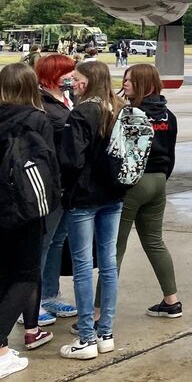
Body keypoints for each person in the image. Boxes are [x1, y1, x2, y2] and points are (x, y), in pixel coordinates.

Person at [59, 60, 125, 359]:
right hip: (114, 194)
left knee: (84, 265)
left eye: (78, 77)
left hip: (84, 197)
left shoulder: (84, 111)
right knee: (108, 263)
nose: (74, 82)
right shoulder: (119, 107)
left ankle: (85, 336)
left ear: (89, 80)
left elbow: (71, 160)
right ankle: (105, 332)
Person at [0, 63, 60, 376]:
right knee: (25, 275)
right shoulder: (37, 118)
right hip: (25, 208)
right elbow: (48, 163)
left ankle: (3, 348)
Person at [112, 64, 182, 318]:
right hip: (159, 182)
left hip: (134, 183)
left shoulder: (131, 114)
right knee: (154, 241)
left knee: (115, 248)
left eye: (130, 80)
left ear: (143, 83)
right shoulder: (168, 116)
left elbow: (118, 152)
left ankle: (99, 313)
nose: (125, 83)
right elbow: (171, 153)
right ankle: (171, 300)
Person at [33, 55, 80, 330]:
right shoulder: (42, 105)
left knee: (57, 241)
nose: (72, 76)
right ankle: (30, 301)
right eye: (68, 72)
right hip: (52, 184)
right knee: (43, 243)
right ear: (54, 73)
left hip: (68, 184)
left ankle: (50, 294)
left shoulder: (65, 98)